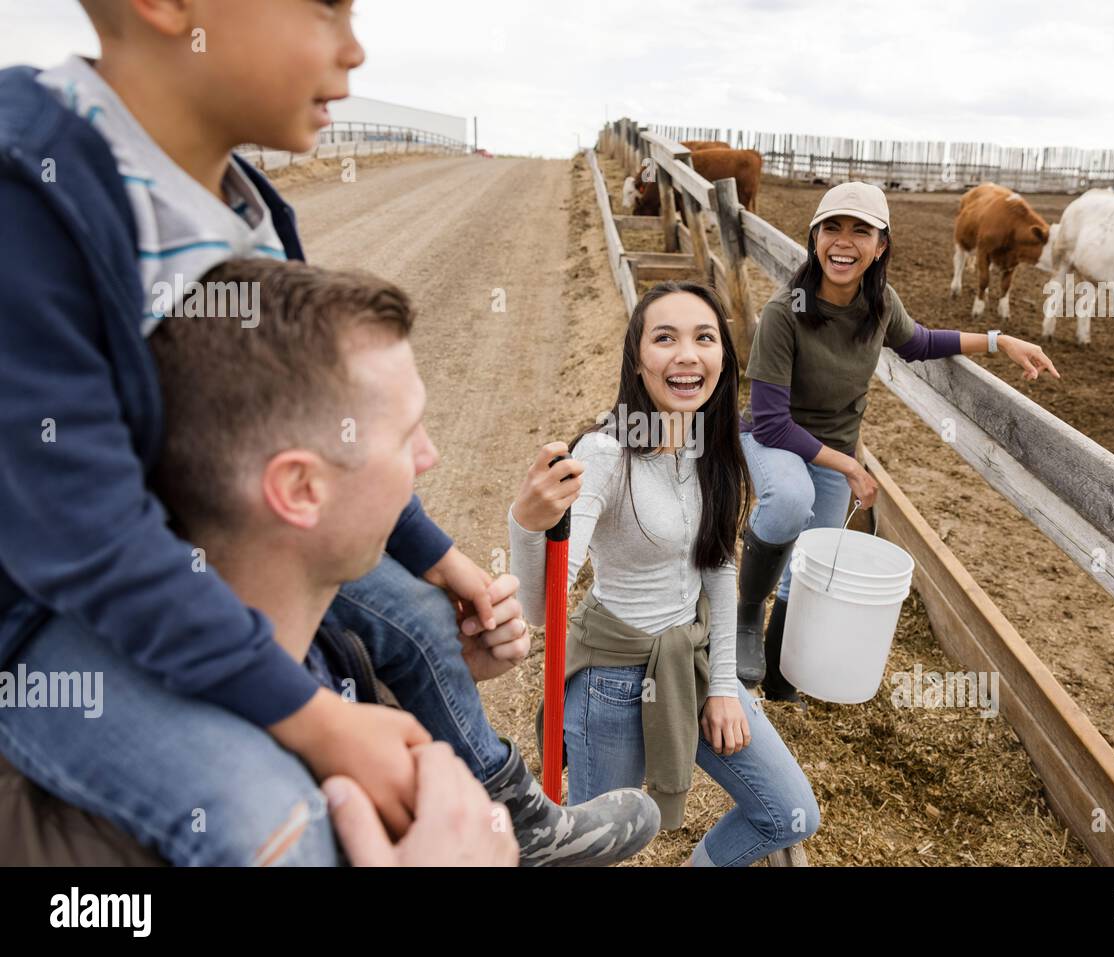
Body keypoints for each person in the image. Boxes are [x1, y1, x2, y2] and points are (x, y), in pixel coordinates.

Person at [0, 0, 654, 864]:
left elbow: (315, 418)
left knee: (421, 616)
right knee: (267, 819)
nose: (354, 50)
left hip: (209, 545)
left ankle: (513, 814)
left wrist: (444, 561)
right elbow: (86, 535)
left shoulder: (248, 210)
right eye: (323, 9)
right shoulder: (29, 184)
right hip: (46, 613)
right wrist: (320, 722)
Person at [509, 282, 820, 867]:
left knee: (791, 810)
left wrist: (725, 686)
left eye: (704, 337)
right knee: (600, 851)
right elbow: (538, 606)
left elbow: (720, 568)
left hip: (694, 660)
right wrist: (526, 523)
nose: (687, 354)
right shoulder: (605, 454)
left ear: (723, 357)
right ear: (637, 357)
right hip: (614, 680)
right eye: (664, 338)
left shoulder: (715, 443)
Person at [736, 182, 1060, 701]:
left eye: (860, 230)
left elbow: (921, 342)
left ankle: (779, 681)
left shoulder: (879, 302)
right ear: (814, 237)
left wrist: (1001, 341)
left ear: (881, 245)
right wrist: (850, 466)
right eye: (832, 228)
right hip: (776, 442)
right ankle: (747, 612)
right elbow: (772, 423)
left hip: (833, 448)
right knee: (791, 501)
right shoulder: (785, 312)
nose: (844, 242)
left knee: (816, 568)